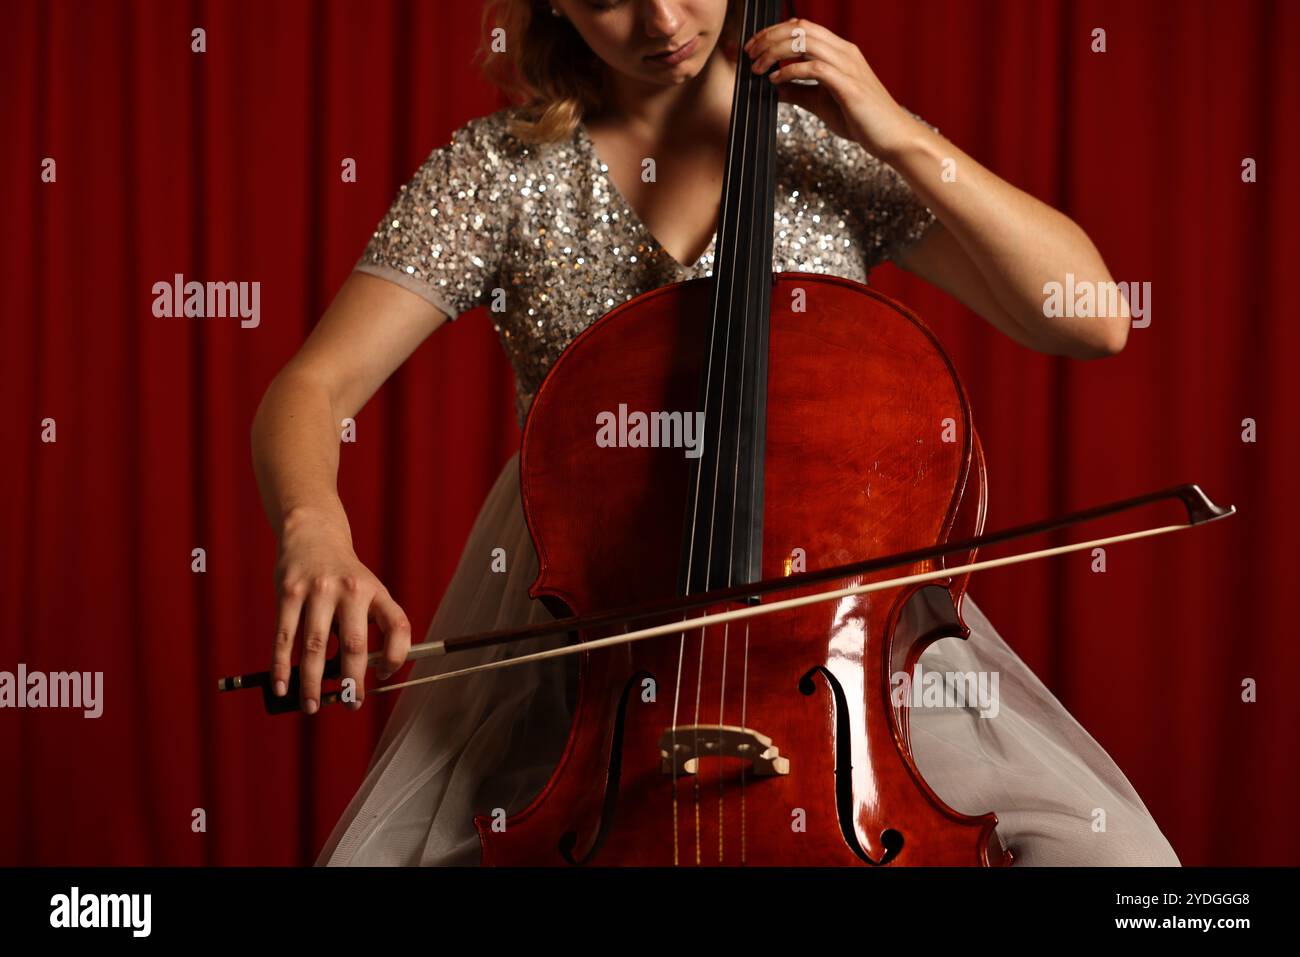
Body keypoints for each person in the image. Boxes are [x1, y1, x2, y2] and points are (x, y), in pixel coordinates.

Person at [250, 0, 1178, 866]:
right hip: (600, 683)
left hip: (835, 658)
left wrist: (894, 135)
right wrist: (312, 527)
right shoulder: (500, 175)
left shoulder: (830, 141)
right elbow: (314, 383)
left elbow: (1091, 318)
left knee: (1126, 861)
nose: (660, 20)